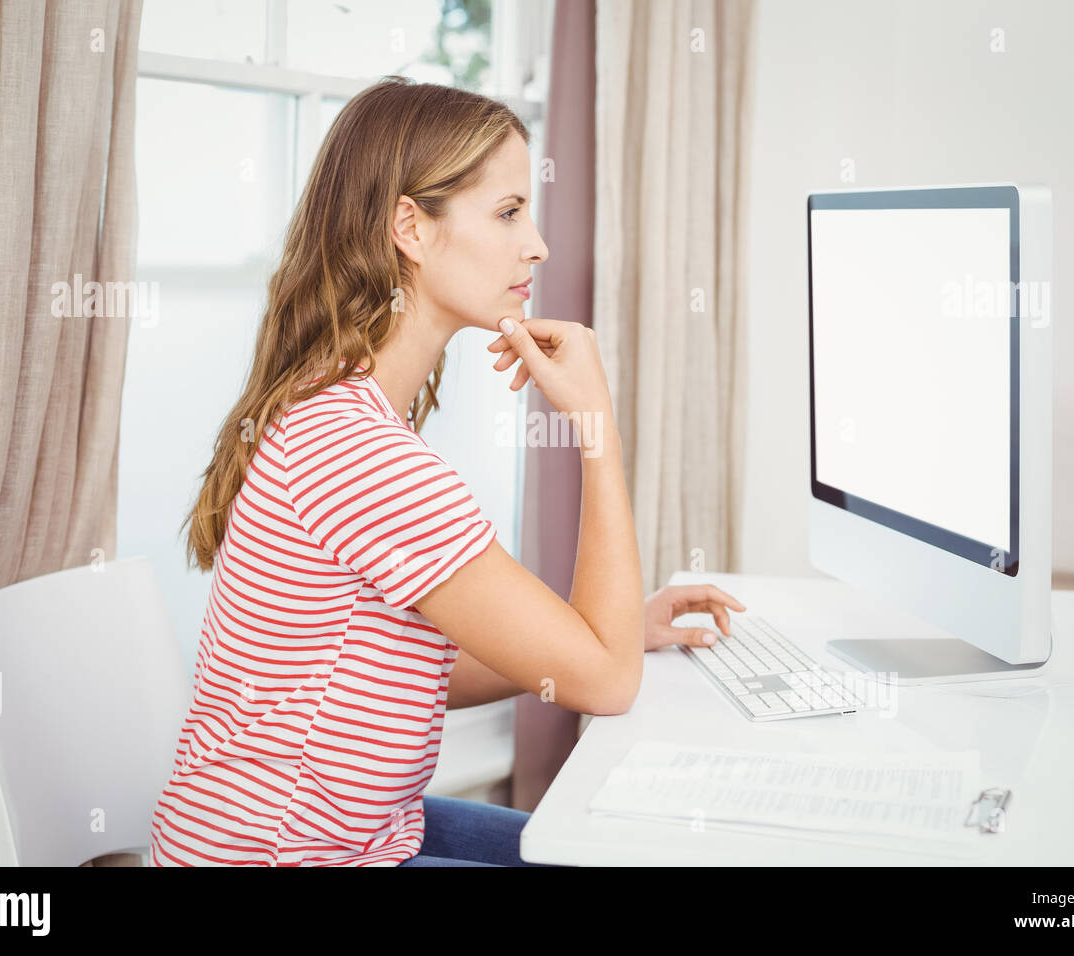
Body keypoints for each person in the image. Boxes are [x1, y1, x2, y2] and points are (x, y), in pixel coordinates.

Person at [150, 76, 744, 868]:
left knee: (606, 848)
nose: (536, 244)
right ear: (411, 228)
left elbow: (414, 665)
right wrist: (596, 428)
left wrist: (610, 635)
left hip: (346, 834)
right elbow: (607, 686)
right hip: (283, 856)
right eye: (507, 214)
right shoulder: (364, 456)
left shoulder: (333, 411)